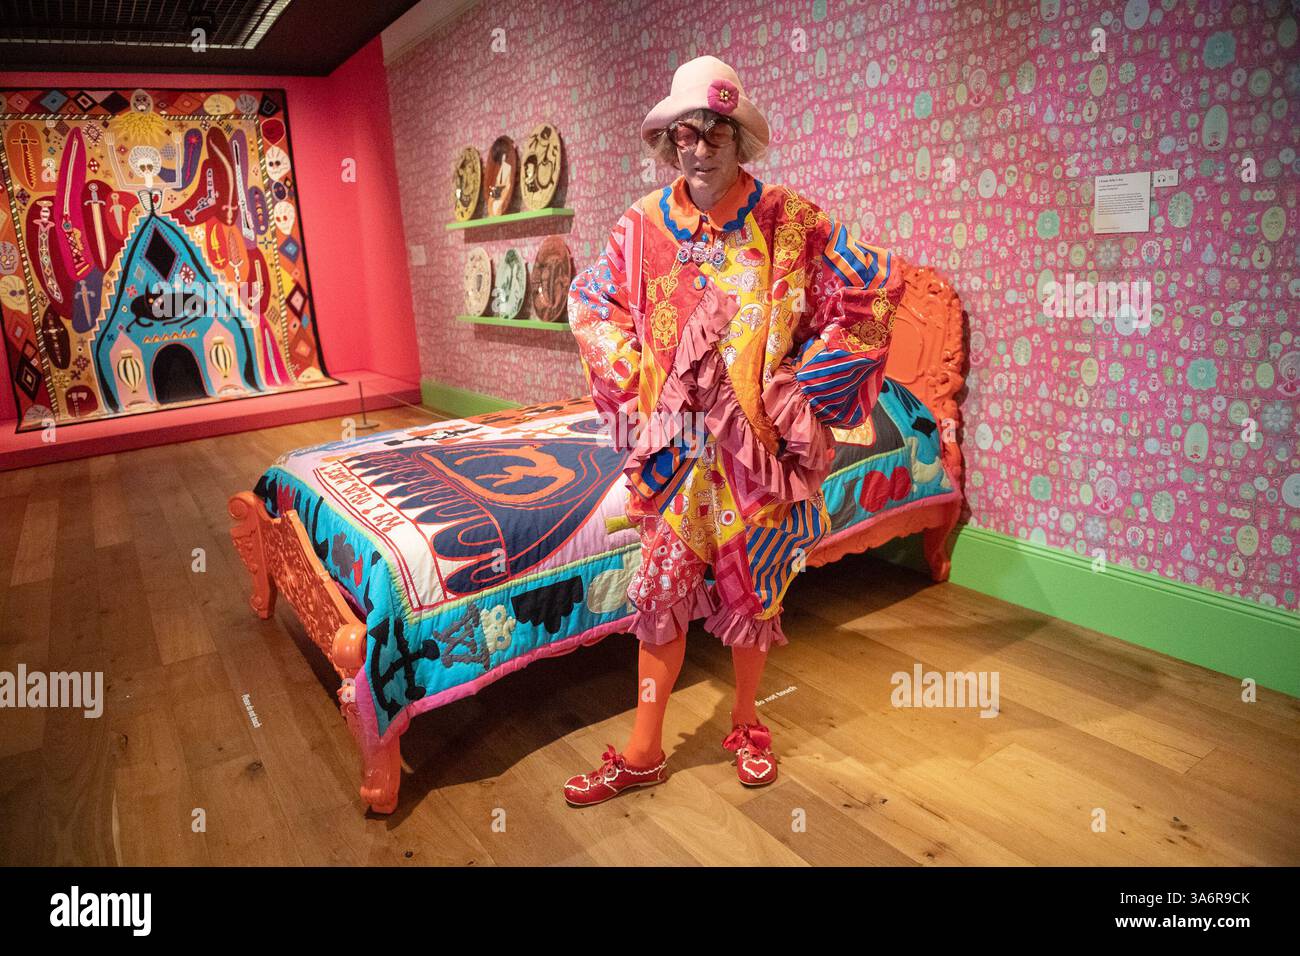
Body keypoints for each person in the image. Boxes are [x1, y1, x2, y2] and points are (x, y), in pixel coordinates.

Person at [563, 55, 903, 806]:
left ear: (739, 139)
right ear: (669, 142)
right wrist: (642, 392)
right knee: (659, 594)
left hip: (759, 456)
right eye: (686, 133)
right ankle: (646, 750)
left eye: (717, 131)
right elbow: (590, 304)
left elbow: (870, 286)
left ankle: (746, 722)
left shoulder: (792, 220)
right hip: (679, 453)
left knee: (759, 596)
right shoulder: (641, 226)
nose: (700, 146)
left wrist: (807, 395)